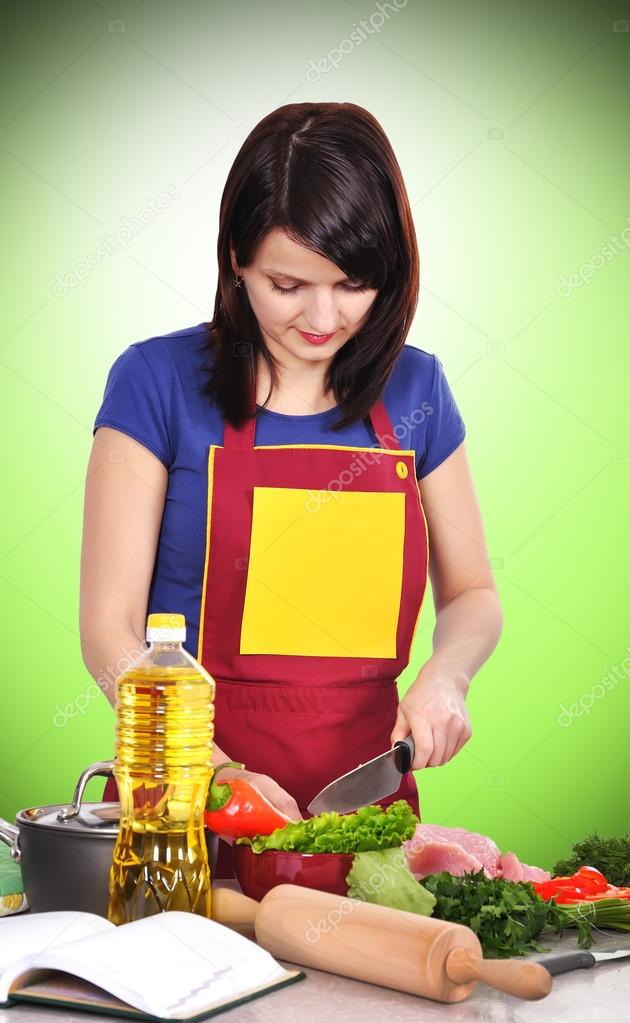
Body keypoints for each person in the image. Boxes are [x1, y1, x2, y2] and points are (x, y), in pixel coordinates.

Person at [80, 101, 503, 879]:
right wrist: (213, 773)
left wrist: (448, 676)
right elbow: (108, 632)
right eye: (286, 283)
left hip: (365, 824)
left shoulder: (418, 388)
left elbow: (474, 592)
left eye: (351, 283)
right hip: (190, 813)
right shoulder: (154, 383)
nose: (321, 316)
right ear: (235, 258)